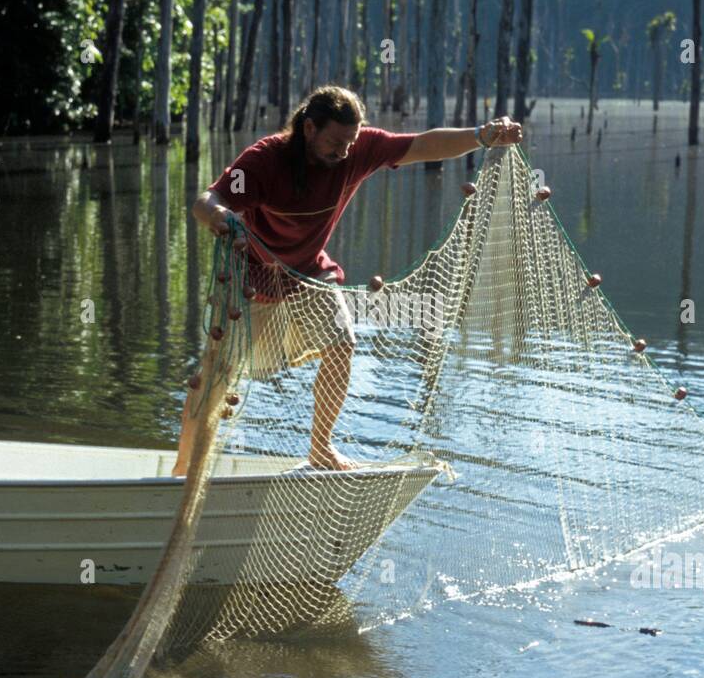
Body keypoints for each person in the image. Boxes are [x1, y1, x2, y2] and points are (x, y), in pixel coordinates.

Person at [173, 85, 522, 475]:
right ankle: (182, 471)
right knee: (212, 380)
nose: (343, 151)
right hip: (250, 280)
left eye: (350, 141)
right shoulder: (263, 161)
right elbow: (208, 202)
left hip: (308, 275)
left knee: (343, 343)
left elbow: (423, 145)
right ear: (309, 129)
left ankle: (321, 448)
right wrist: (223, 218)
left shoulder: (360, 151)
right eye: (335, 142)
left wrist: (480, 135)